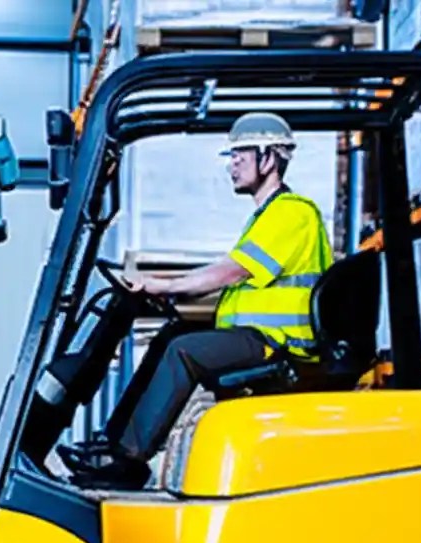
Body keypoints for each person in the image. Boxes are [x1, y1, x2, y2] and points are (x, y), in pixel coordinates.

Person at [63, 112, 335, 487]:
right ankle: (112, 445)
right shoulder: (268, 215)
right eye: (232, 156)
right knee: (173, 336)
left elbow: (228, 273)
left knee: (185, 351)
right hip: (259, 336)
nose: (233, 164)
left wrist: (160, 284)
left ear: (269, 158)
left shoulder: (292, 214)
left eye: (241, 154)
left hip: (281, 345)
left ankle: (128, 458)